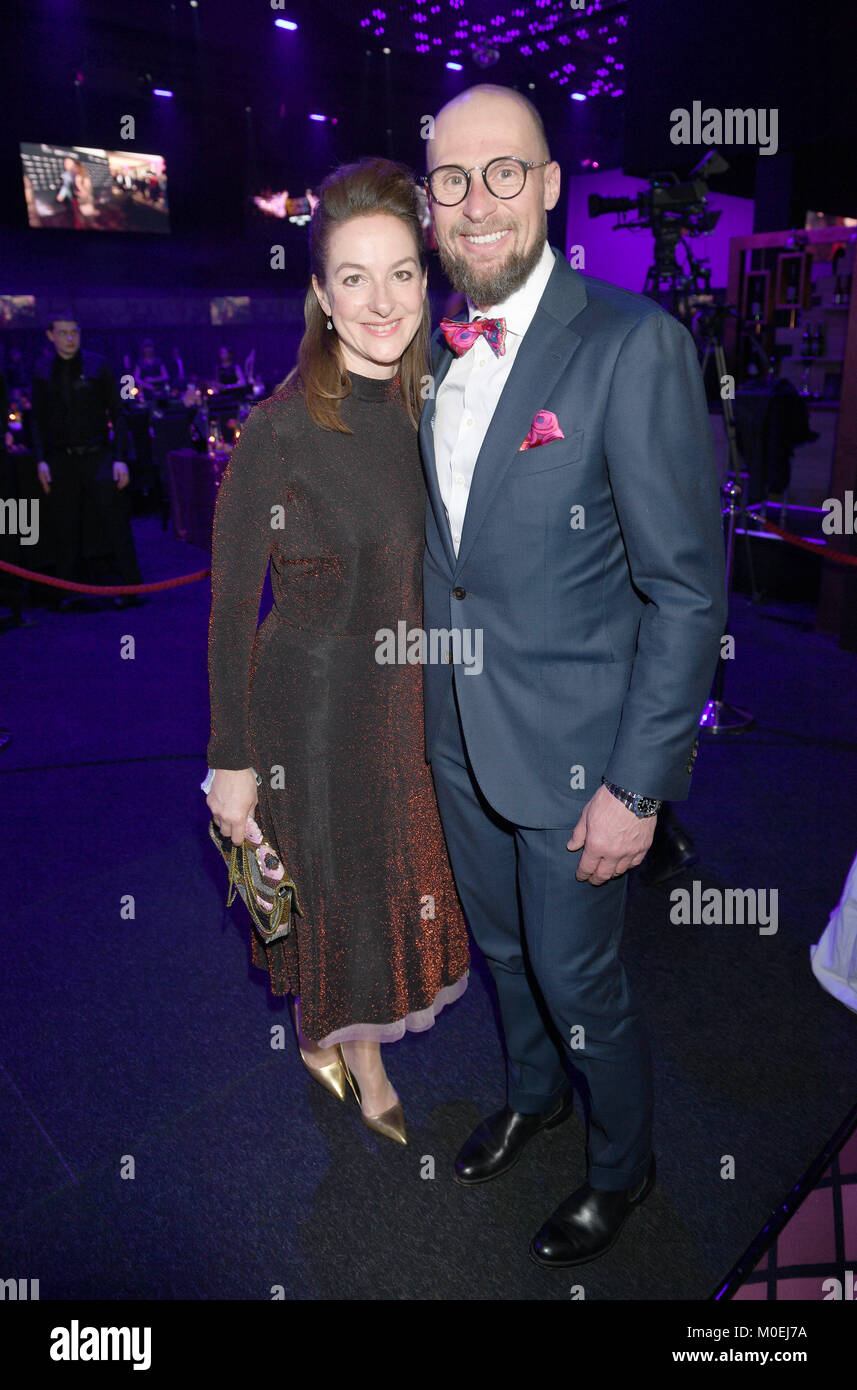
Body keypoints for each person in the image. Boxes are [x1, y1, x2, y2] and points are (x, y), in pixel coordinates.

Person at [420, 85, 727, 1263]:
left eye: (505, 172)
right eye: (451, 178)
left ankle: (624, 1167)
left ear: (552, 185)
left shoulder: (631, 342)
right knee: (500, 956)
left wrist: (637, 787)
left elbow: (685, 592)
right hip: (460, 736)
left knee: (578, 975)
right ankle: (535, 1097)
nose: (476, 201)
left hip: (577, 756)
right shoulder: (433, 364)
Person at [205, 158, 469, 1147]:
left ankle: (335, 1029)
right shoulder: (275, 431)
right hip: (309, 714)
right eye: (350, 277)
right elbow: (232, 607)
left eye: (400, 272)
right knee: (344, 891)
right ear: (317, 292)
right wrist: (230, 762)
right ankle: (353, 1051)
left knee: (403, 880)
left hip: (409, 701)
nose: (379, 299)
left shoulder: (429, 402)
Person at [32, 313, 143, 609]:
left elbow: (119, 412)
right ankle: (67, 592)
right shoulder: (41, 370)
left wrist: (120, 458)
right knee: (65, 527)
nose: (70, 338)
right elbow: (37, 420)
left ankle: (131, 588)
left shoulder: (98, 364)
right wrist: (41, 460)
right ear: (50, 335)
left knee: (116, 522)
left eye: (74, 332)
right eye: (63, 332)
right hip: (61, 459)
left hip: (99, 456)